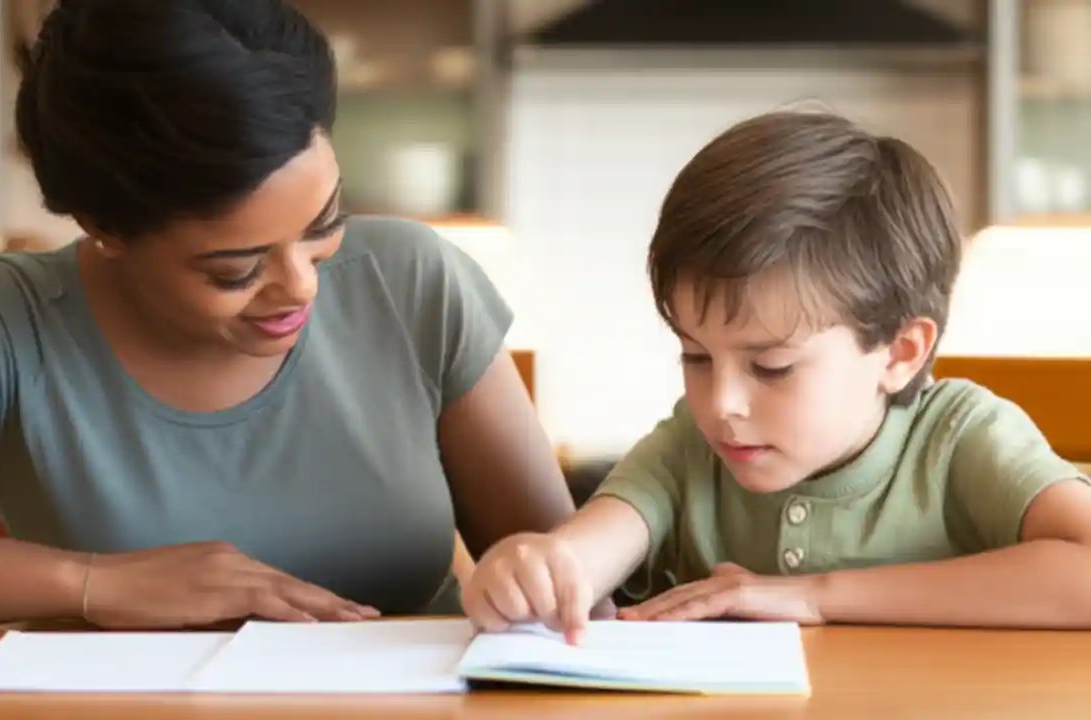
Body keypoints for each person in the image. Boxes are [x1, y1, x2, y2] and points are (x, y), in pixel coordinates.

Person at [0, 0, 578, 630]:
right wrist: (96, 584)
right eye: (236, 269)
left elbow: (569, 575)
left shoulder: (413, 282)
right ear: (103, 228)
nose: (299, 286)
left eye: (322, 228)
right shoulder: (6, 321)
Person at [463, 111, 1091, 644]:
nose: (722, 404)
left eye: (772, 367)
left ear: (899, 351)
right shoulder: (688, 450)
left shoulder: (961, 438)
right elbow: (582, 555)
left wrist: (816, 595)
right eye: (695, 356)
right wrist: (535, 568)